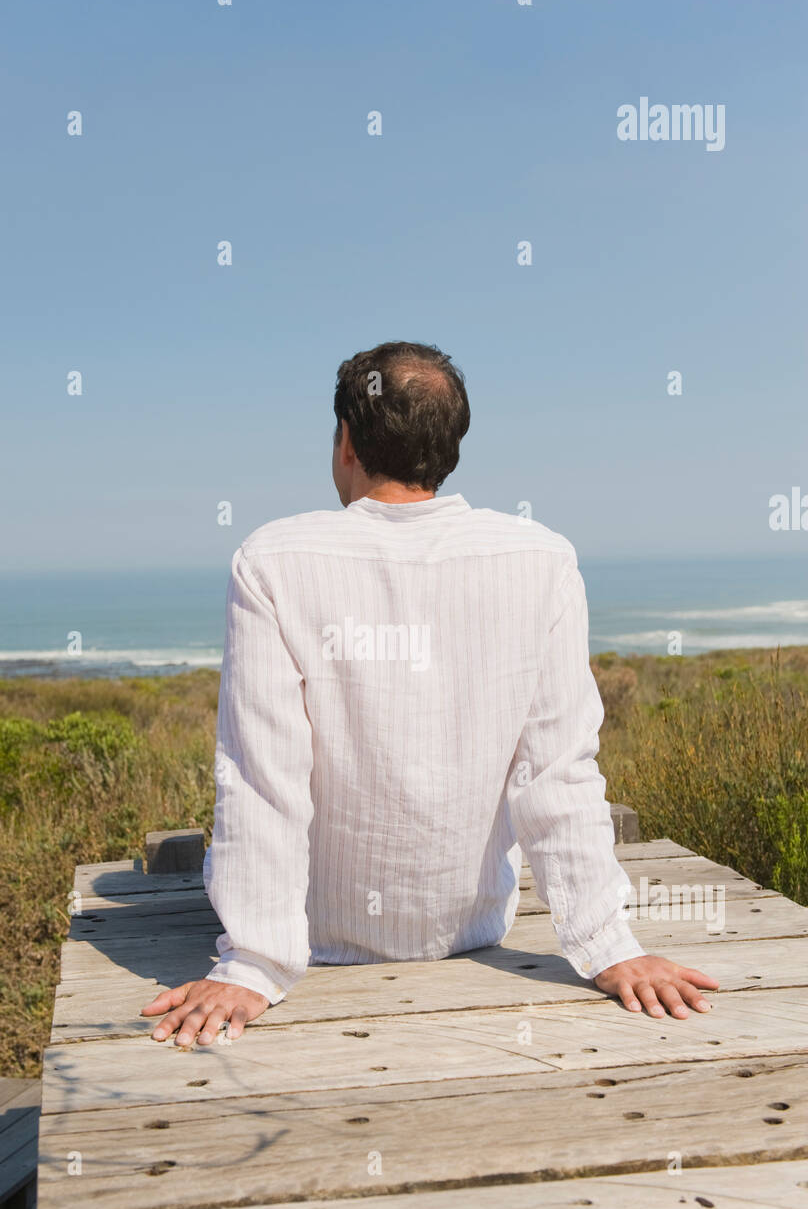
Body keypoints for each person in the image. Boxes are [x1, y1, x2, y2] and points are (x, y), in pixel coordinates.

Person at [143, 341, 718, 1046]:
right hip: (473, 930)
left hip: (319, 934)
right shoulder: (541, 558)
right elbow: (558, 770)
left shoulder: (273, 560)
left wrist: (255, 962)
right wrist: (608, 944)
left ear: (346, 441)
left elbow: (265, 778)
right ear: (448, 447)